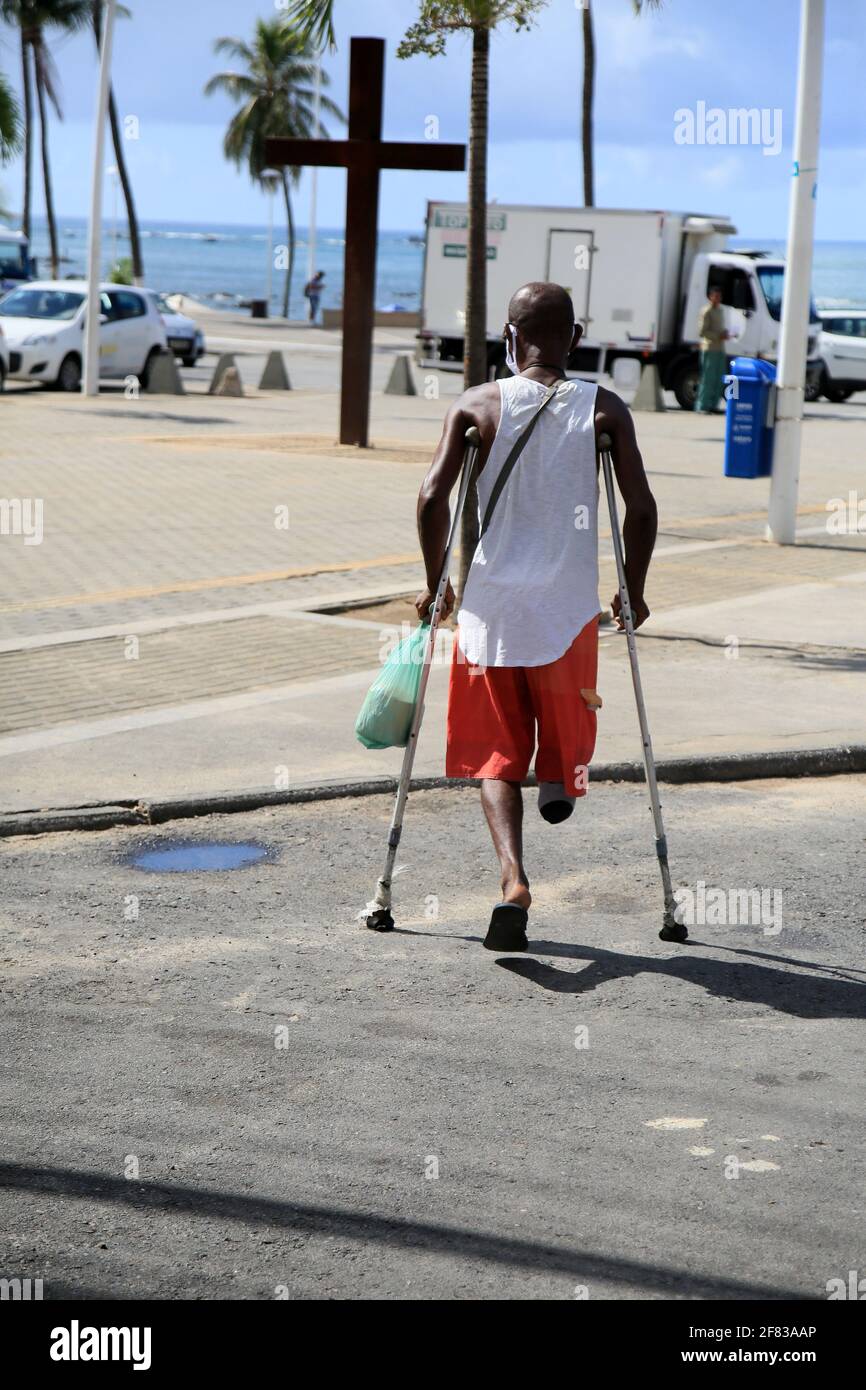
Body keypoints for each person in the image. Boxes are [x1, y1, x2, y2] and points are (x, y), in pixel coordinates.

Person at [415, 282, 658, 952]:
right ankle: (557, 778)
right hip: (568, 610)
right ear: (574, 337)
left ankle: (512, 879)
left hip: (490, 612)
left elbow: (433, 493)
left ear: (510, 335)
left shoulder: (477, 404)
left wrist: (438, 581)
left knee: (495, 756)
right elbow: (640, 507)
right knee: (566, 721)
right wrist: (633, 590)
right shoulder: (603, 409)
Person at [695, 286, 731, 413]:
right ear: (710, 297)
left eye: (719, 296)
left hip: (720, 348)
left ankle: (713, 405)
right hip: (709, 348)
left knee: (719, 379)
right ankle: (702, 405)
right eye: (715, 296)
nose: (717, 299)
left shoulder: (720, 311)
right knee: (708, 379)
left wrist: (725, 333)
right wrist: (718, 336)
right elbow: (702, 332)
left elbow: (719, 328)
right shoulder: (707, 311)